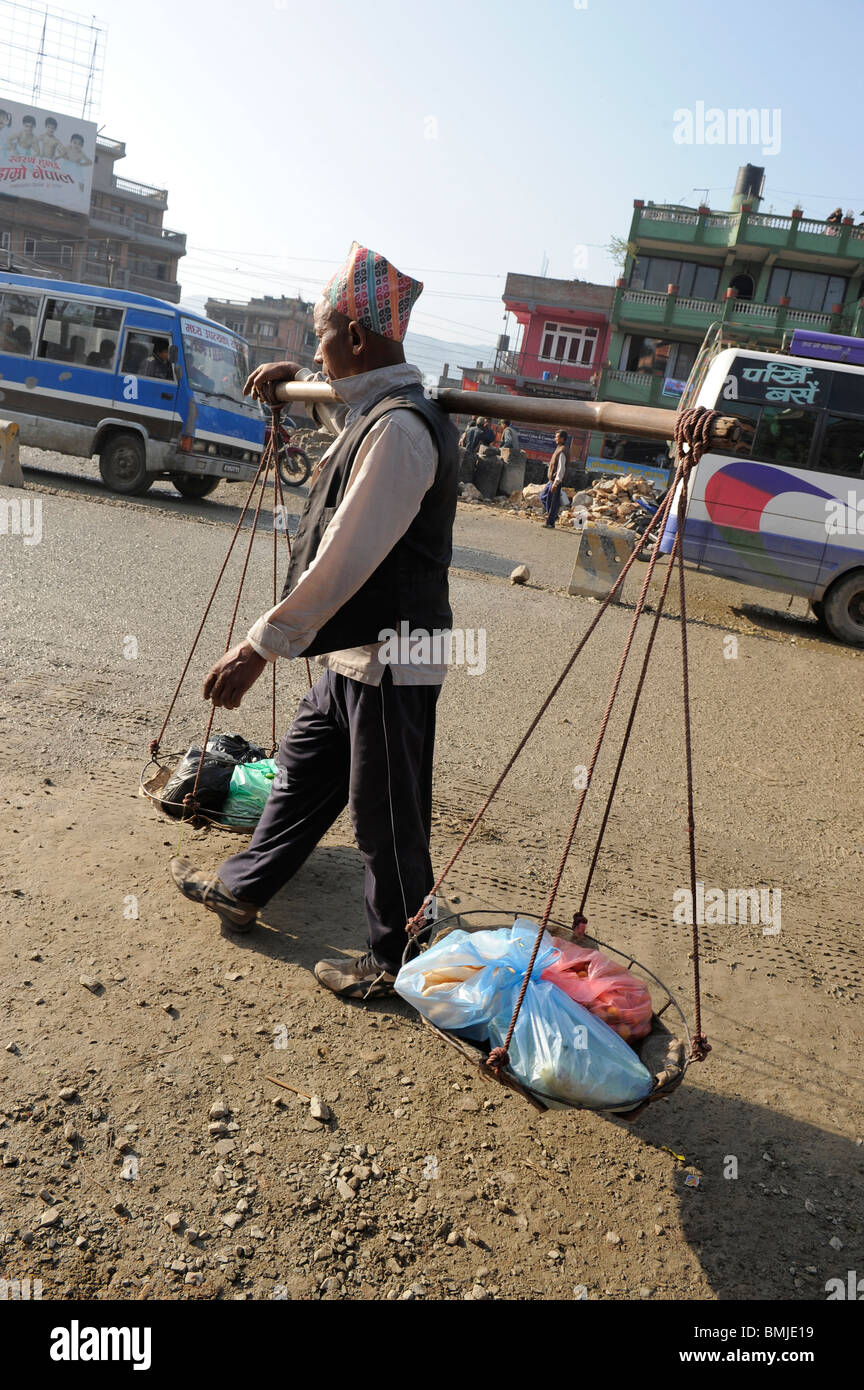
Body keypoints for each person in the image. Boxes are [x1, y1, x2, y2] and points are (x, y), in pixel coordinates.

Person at [169, 241, 460, 1002]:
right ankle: (244, 886)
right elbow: (345, 420)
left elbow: (345, 557)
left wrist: (258, 646)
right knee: (301, 772)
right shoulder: (377, 414)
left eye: (321, 337)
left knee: (385, 817)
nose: (315, 353)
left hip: (393, 653)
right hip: (353, 653)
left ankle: (397, 966)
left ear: (357, 336)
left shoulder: (400, 429)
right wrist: (293, 387)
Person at [540, 430, 569, 528]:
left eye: (557, 437)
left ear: (562, 439)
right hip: (551, 481)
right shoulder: (559, 448)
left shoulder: (562, 451)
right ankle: (553, 516)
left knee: (552, 502)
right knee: (543, 497)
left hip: (555, 481)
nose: (555, 439)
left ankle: (550, 523)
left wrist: (556, 483)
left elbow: (561, 469)